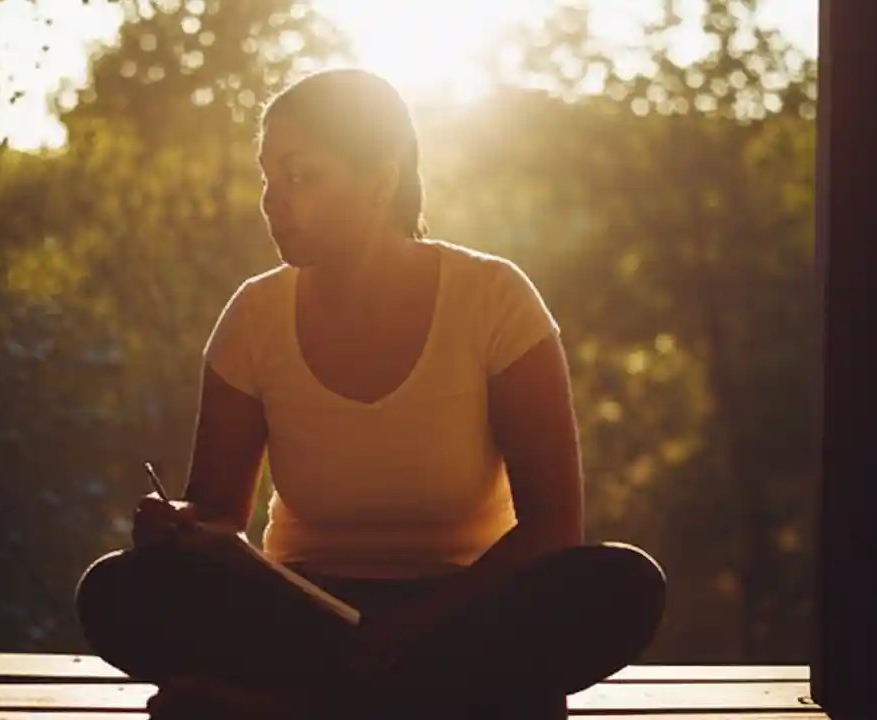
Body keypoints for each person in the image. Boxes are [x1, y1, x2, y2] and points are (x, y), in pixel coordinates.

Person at [75, 68, 665, 720]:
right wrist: (180, 525)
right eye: (268, 177)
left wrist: (411, 625)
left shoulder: (495, 299)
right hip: (300, 610)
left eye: (300, 176)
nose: (272, 200)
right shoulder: (253, 315)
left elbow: (553, 525)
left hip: (465, 606)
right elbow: (218, 514)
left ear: (382, 180)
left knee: (623, 584)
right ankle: (439, 703)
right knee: (114, 594)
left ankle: (291, 706)